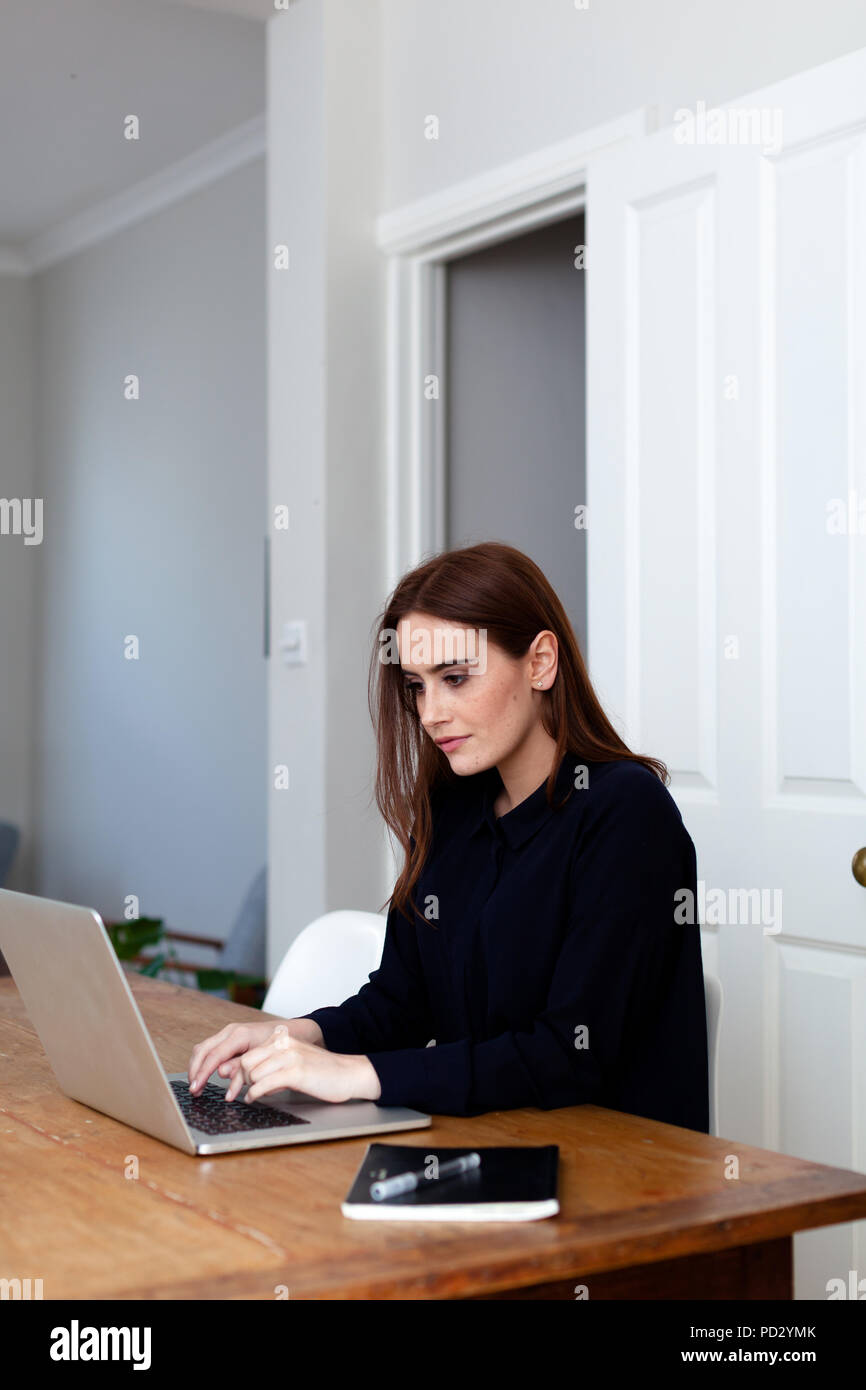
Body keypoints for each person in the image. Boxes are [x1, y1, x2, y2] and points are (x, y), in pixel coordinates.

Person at [188, 541, 709, 1130]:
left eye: (455, 677)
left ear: (540, 663)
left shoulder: (625, 812)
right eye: (416, 685)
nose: (430, 712)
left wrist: (358, 1076)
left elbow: (570, 1054)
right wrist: (288, 1033)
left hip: (622, 1170)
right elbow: (401, 1004)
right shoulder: (455, 807)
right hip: (494, 1143)